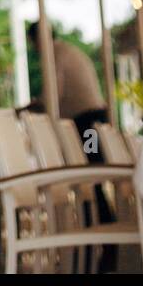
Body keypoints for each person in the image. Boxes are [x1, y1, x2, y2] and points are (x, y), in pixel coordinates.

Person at [27, 22, 116, 271]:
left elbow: (54, 95)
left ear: (36, 40)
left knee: (92, 179)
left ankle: (104, 242)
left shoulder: (55, 54)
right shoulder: (66, 49)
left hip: (87, 122)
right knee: (92, 180)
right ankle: (100, 240)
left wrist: (30, 108)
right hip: (91, 119)